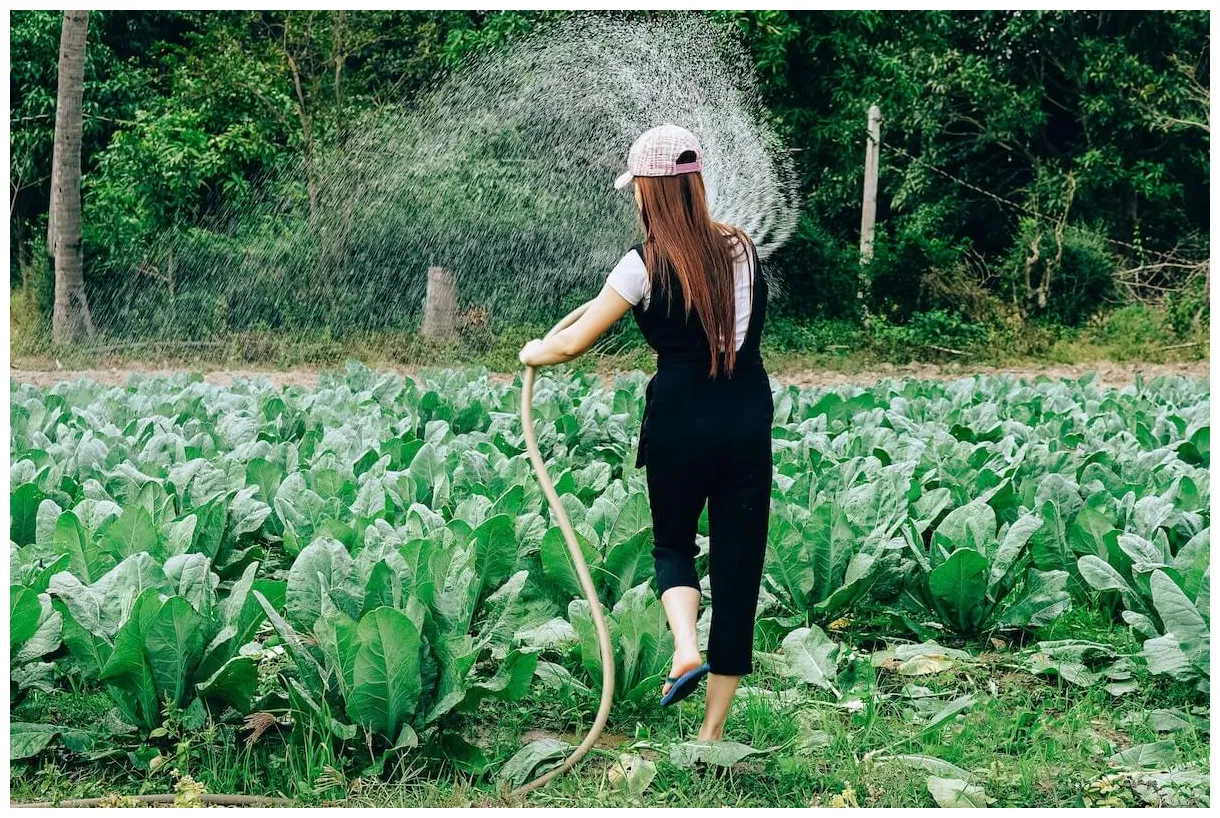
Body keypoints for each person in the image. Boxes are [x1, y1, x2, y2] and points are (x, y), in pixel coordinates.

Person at [518, 124, 773, 743]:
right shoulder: (741, 248)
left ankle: (686, 645)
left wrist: (534, 350)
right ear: (697, 184)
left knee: (673, 545)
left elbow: (574, 341)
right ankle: (711, 735)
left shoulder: (641, 265)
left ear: (650, 193)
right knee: (739, 567)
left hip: (680, 418)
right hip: (744, 414)